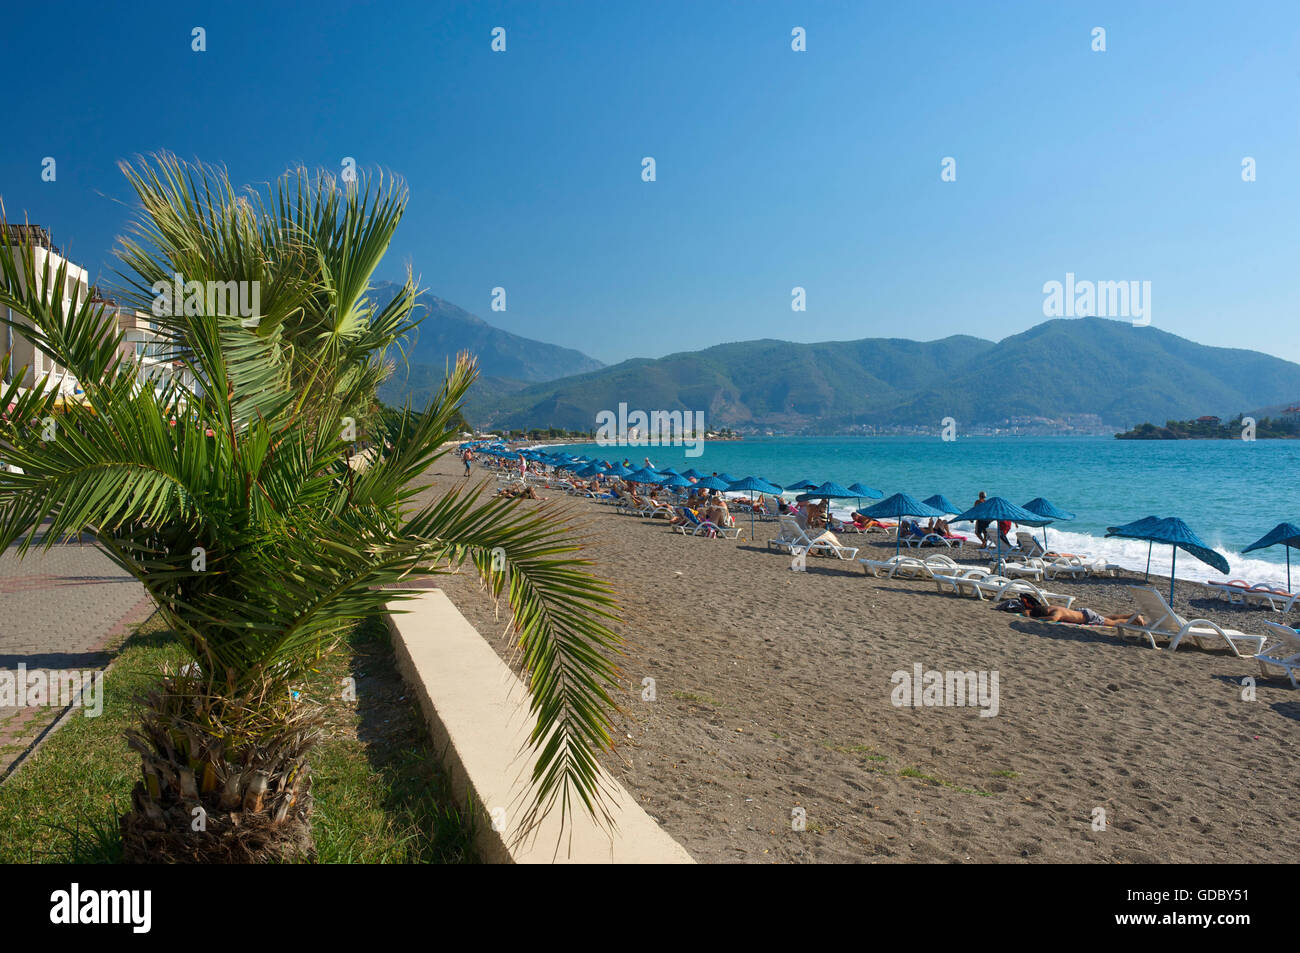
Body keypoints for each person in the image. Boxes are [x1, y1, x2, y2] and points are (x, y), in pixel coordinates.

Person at [1012, 594, 1142, 628]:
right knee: (1108, 617)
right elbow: (1029, 611)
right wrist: (1029, 613)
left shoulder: (1056, 614)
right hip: (1083, 613)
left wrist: (1035, 619)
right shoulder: (1051, 607)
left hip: (1087, 618)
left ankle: (1134, 620)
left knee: (1112, 623)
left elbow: (1053, 620)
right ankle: (1132, 615)